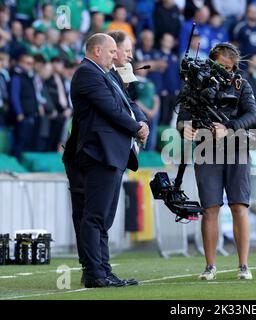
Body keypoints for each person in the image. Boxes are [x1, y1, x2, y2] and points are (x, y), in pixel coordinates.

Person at [65, 33, 149, 288]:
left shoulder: (106, 74)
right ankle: (94, 273)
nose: (116, 56)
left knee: (103, 218)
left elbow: (126, 102)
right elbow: (111, 109)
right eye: (112, 51)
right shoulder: (87, 74)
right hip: (99, 152)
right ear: (97, 50)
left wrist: (141, 122)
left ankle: (103, 270)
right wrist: (136, 127)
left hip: (111, 153)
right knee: (94, 216)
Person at [176, 42, 256, 281]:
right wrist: (184, 128)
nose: (227, 72)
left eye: (230, 68)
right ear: (211, 61)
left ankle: (243, 265)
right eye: (222, 66)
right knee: (210, 208)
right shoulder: (194, 84)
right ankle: (210, 266)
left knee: (239, 206)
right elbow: (183, 116)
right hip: (205, 148)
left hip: (238, 147)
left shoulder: (242, 84)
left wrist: (229, 127)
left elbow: (251, 115)